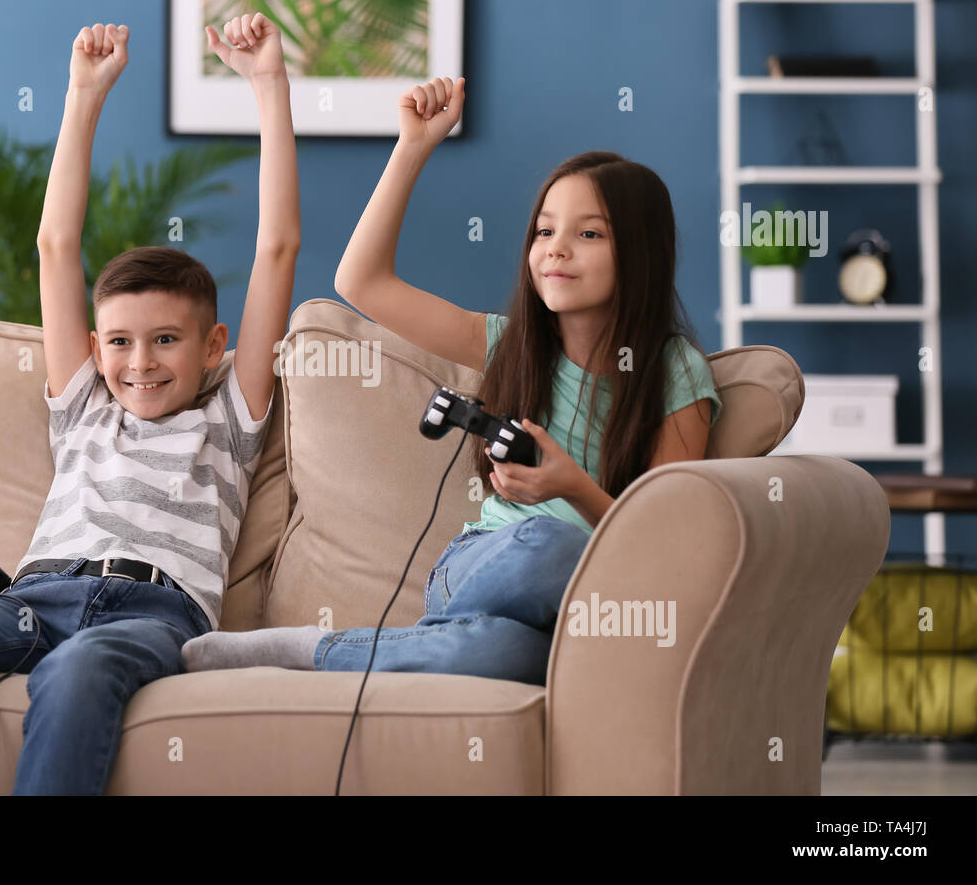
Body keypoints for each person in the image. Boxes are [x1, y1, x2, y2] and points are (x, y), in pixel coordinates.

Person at [0, 13, 300, 794]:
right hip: (36, 594)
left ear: (212, 346)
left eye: (167, 340)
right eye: (122, 343)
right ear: (96, 349)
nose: (141, 363)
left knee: (77, 670)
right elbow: (56, 246)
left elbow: (277, 248)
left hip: (151, 615)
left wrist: (268, 82)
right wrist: (83, 95)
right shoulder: (84, 405)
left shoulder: (230, 421)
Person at [182, 76, 721, 687]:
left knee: (500, 656)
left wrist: (571, 486)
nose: (556, 250)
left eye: (588, 234)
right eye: (544, 231)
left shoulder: (676, 373)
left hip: (585, 595)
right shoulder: (504, 343)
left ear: (641, 254)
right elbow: (359, 282)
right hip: (481, 563)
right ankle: (427, 640)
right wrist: (412, 146)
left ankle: (318, 650)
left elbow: (665, 538)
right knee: (545, 544)